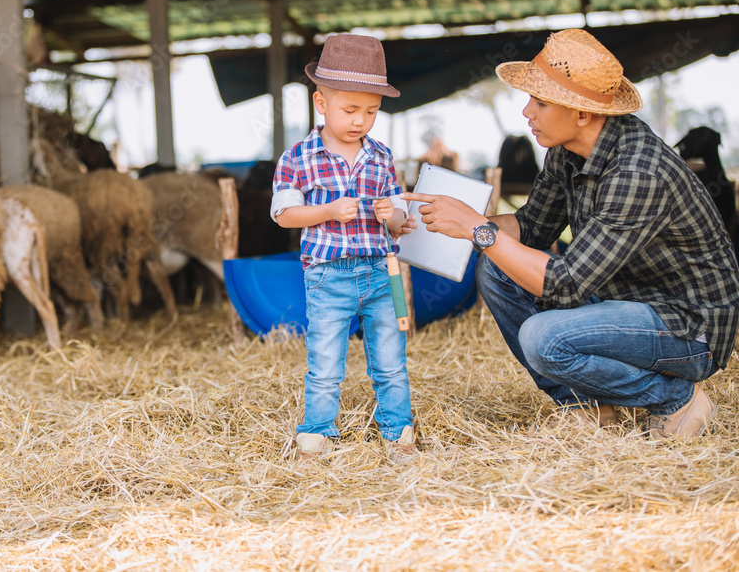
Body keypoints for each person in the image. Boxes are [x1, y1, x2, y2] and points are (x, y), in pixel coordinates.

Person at [401, 28, 739, 439]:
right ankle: (585, 405)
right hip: (627, 301)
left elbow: (566, 286)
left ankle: (674, 399)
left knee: (543, 339)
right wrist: (460, 217)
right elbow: (531, 228)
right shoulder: (565, 152)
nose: (527, 112)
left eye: (540, 102)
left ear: (582, 114)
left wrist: (477, 230)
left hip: (686, 326)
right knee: (495, 271)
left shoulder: (637, 172)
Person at [271, 33, 418, 463]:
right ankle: (315, 436)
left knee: (390, 360)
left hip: (379, 270)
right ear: (321, 103)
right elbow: (284, 215)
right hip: (327, 274)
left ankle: (399, 433)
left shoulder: (381, 157)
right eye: (350, 110)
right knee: (326, 365)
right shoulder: (298, 158)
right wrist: (329, 211)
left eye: (371, 111)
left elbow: (399, 225)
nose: (360, 121)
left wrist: (392, 213)